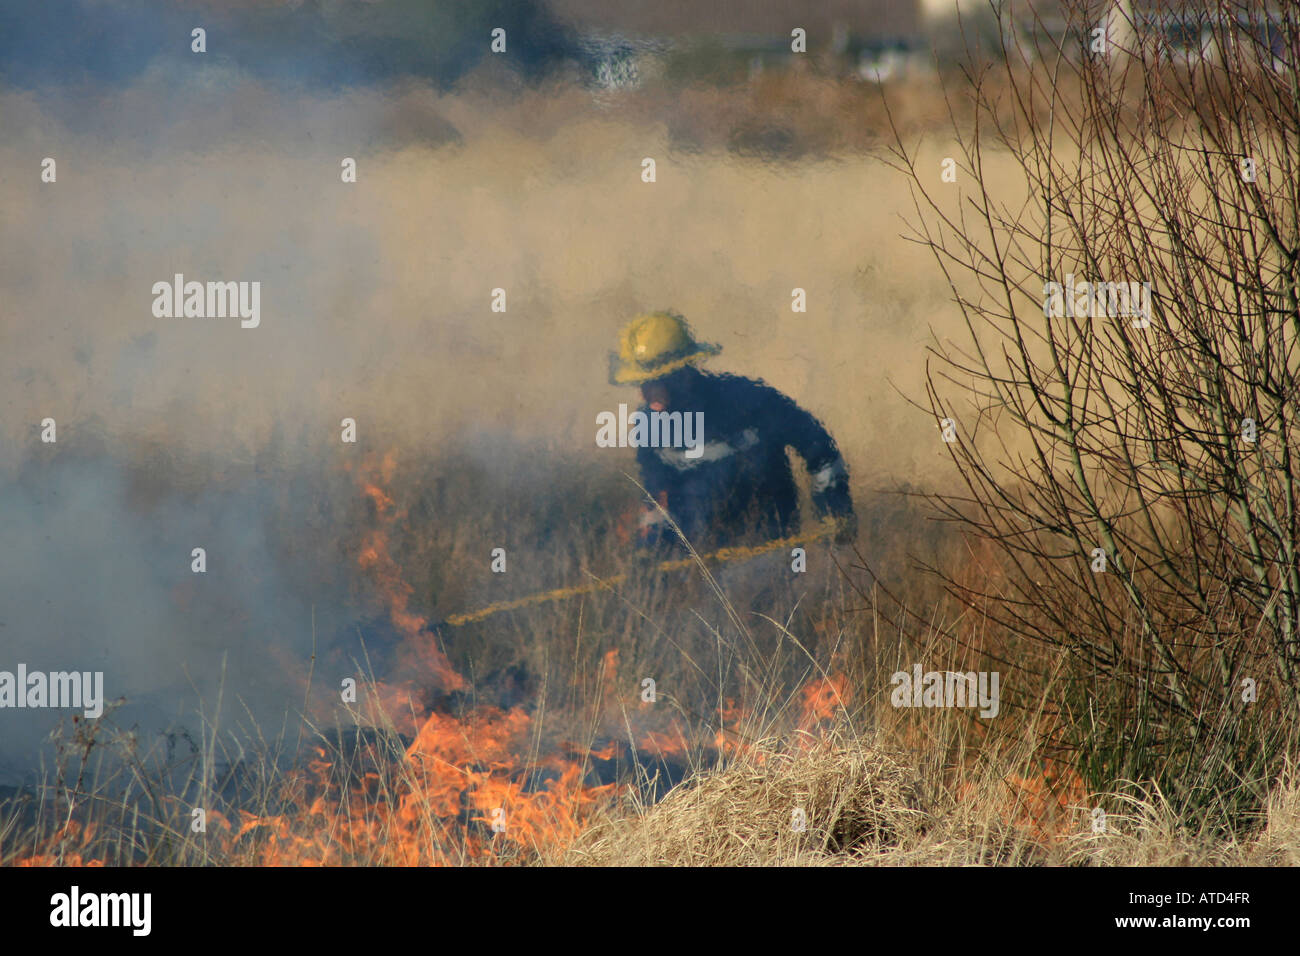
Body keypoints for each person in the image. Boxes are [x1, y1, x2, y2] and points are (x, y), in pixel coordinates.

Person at [609, 310, 856, 552]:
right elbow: (657, 496)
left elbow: (818, 446)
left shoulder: (748, 402)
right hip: (698, 559)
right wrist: (649, 551)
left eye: (654, 382)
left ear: (682, 375)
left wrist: (835, 510)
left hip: (768, 549)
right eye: (641, 383)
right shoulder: (649, 424)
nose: (644, 393)